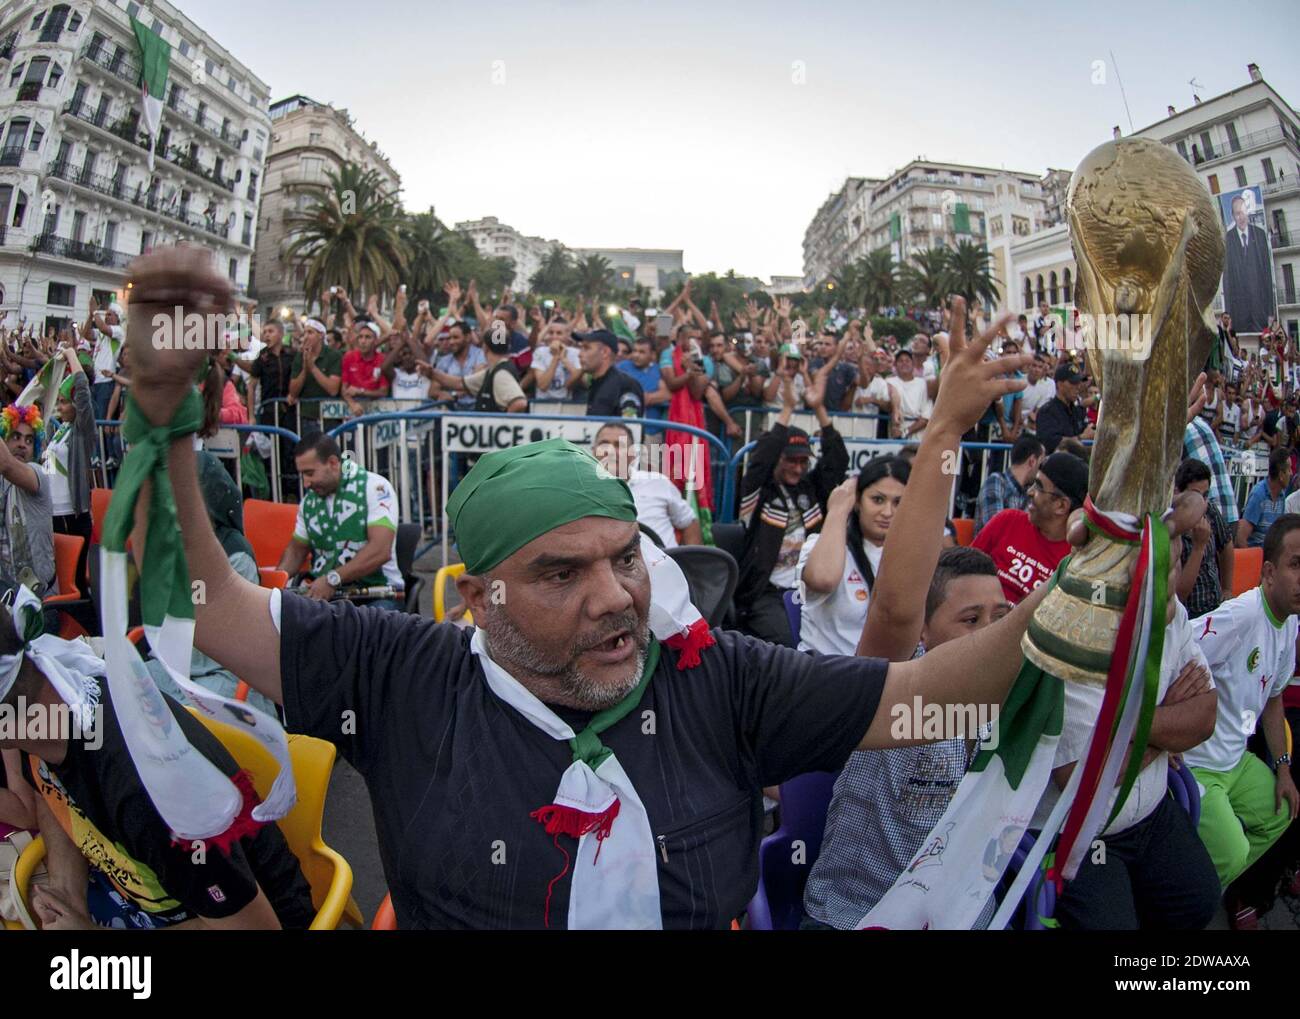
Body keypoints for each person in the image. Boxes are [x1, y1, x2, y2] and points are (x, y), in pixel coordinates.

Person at [123, 246, 1049, 928]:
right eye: (561, 573)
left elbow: (933, 694)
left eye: (625, 557)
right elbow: (200, 600)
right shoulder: (399, 674)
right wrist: (161, 417)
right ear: (480, 597)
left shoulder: (720, 680)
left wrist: (1104, 561)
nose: (615, 596)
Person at [0, 596, 316, 930]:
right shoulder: (45, 708)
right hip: (150, 903)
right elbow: (51, 791)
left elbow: (257, 928)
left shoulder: (144, 793)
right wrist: (67, 892)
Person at [1186, 515, 1300, 923]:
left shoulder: (1288, 624)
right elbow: (1179, 648)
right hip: (1198, 765)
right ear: (1269, 572)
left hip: (1235, 760)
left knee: (1282, 813)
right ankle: (1181, 907)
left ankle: (1201, 889)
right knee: (1232, 848)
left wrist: (1283, 767)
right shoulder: (1242, 615)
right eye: (1296, 564)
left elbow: (1273, 700)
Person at [736, 374, 847, 647]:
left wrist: (819, 409)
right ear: (778, 458)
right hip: (766, 594)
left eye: (803, 461)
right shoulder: (757, 493)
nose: (797, 468)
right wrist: (787, 409)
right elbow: (760, 462)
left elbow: (837, 460)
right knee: (789, 644)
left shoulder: (812, 490)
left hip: (812, 591)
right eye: (790, 460)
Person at [276, 432, 404, 612]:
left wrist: (332, 578)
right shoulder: (309, 502)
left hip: (377, 595)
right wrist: (274, 583)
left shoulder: (375, 487)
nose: (305, 483)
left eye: (310, 473)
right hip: (328, 598)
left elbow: (380, 550)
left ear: (333, 463)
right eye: (302, 475)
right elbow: (297, 551)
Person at [795, 456, 909, 655]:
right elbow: (823, 579)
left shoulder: (911, 554)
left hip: (887, 677)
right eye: (878, 500)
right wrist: (838, 509)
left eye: (898, 502)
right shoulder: (820, 544)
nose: (888, 512)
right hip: (825, 672)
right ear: (857, 501)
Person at [972, 451, 1085, 603]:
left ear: (1061, 505)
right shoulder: (1007, 521)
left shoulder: (1073, 562)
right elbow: (962, 571)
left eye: (1038, 487)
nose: (1029, 491)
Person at [592, 423, 701, 548]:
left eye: (619, 445)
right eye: (604, 444)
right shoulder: (579, 490)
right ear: (593, 451)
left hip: (665, 563)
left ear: (632, 454)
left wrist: (693, 563)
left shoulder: (658, 483)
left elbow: (689, 521)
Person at [0, 403, 54, 594]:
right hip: (7, 587)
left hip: (37, 598)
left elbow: (6, 465)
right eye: (16, 437)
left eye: (30, 440)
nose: (23, 444)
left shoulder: (38, 473)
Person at [432, 325, 527, 414]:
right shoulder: (491, 371)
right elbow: (459, 383)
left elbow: (519, 403)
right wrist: (430, 372)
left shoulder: (501, 374)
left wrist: (502, 424)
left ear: (485, 347)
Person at [1222, 195, 1277, 334]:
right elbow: (1227, 280)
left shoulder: (1260, 235)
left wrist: (1270, 312)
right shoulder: (1227, 239)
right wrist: (1228, 315)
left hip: (1260, 311)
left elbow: (1267, 274)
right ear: (1233, 216)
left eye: (1243, 212)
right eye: (1237, 213)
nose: (1241, 217)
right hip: (1239, 315)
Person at [974, 434, 1044, 535]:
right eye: (1040, 464)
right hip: (990, 549)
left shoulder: (1029, 492)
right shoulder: (996, 482)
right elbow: (995, 530)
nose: (1041, 471)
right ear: (1032, 461)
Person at [288, 318, 343, 433]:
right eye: (305, 333)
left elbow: (333, 389)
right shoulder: (300, 356)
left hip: (330, 418)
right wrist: (305, 368)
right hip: (306, 417)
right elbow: (293, 392)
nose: (306, 337)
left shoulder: (334, 356)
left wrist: (312, 367)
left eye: (310, 332)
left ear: (321, 335)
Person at [578, 329, 642, 418]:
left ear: (604, 352)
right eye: (580, 348)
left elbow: (630, 426)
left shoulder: (626, 385)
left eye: (586, 348)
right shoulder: (596, 382)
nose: (580, 354)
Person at [1238, 447, 1291, 548]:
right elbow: (1241, 538)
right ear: (1281, 475)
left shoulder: (1282, 495)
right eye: (1289, 469)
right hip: (1256, 556)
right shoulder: (1259, 495)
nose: (1291, 473)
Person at [1034, 364, 1094, 452]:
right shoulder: (1047, 412)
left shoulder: (1078, 411)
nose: (1078, 386)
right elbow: (1050, 442)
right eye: (1073, 383)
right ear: (1060, 384)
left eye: (1078, 383)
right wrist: (1082, 437)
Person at [433, 321, 487, 410]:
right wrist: (441, 394)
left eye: (455, 337)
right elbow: (433, 391)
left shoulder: (480, 355)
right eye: (449, 338)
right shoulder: (444, 361)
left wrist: (453, 394)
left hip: (478, 411)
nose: (451, 342)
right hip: (452, 412)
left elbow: (474, 383)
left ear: (468, 337)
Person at [341, 321, 390, 415]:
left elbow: (383, 392)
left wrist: (360, 391)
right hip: (352, 414)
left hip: (375, 414)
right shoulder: (349, 357)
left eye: (368, 337)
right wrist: (352, 404)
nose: (363, 341)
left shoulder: (382, 359)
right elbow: (344, 389)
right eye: (360, 337)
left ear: (376, 340)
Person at [528, 318, 582, 403]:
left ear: (567, 335)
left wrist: (565, 360)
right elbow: (542, 386)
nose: (554, 337)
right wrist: (556, 357)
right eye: (551, 333)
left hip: (567, 402)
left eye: (559, 333)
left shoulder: (575, 353)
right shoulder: (540, 352)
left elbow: (583, 381)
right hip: (543, 402)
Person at [886, 349, 931, 440]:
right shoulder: (889, 382)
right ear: (895, 365)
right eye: (900, 361)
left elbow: (926, 417)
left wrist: (904, 432)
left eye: (907, 361)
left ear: (913, 364)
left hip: (919, 438)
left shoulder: (923, 384)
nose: (904, 363)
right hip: (894, 435)